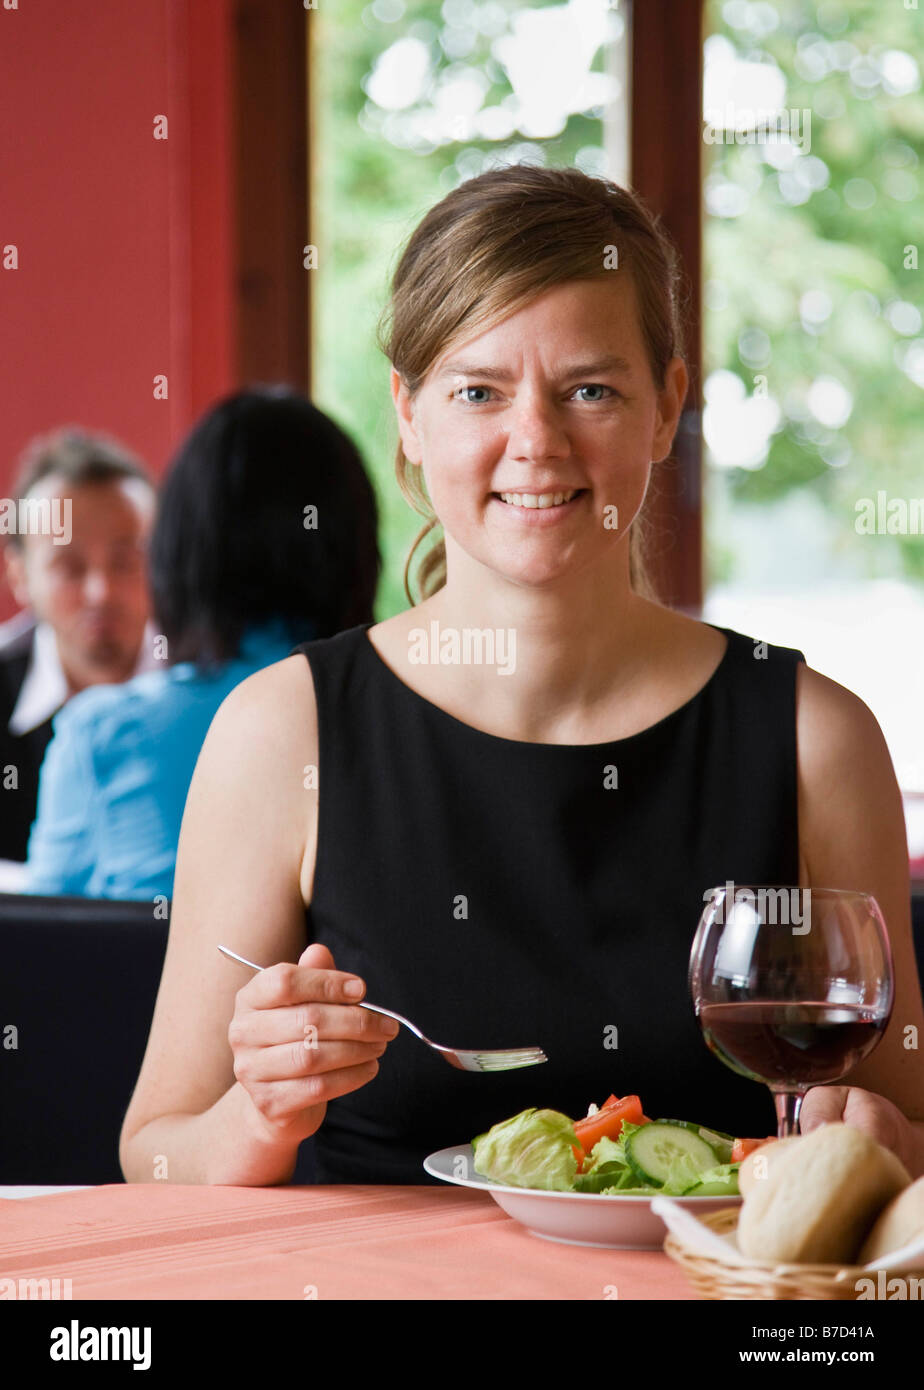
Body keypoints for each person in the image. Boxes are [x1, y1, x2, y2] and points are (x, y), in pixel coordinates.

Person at [120, 166, 924, 1188]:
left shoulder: (815, 736)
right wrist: (260, 1115)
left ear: (666, 406)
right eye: (478, 392)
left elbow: (907, 1123)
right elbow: (153, 1152)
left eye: (590, 388)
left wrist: (885, 1144)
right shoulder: (285, 731)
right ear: (410, 415)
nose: (535, 442)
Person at [23, 386, 380, 902]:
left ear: (176, 549)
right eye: (70, 566)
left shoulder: (103, 736)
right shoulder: (416, 722)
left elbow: (35, 952)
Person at [0, 429, 158, 871]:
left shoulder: (215, 691)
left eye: (126, 561)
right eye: (68, 566)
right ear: (19, 575)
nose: (100, 592)